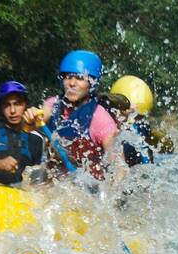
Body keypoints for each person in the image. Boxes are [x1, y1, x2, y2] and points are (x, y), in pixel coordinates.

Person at [24, 50, 121, 183]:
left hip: (87, 186)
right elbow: (34, 122)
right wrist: (31, 118)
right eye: (68, 77)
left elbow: (119, 167)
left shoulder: (101, 119)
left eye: (80, 78)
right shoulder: (52, 104)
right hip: (56, 180)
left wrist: (112, 197)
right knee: (35, 176)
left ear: (92, 83)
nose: (72, 83)